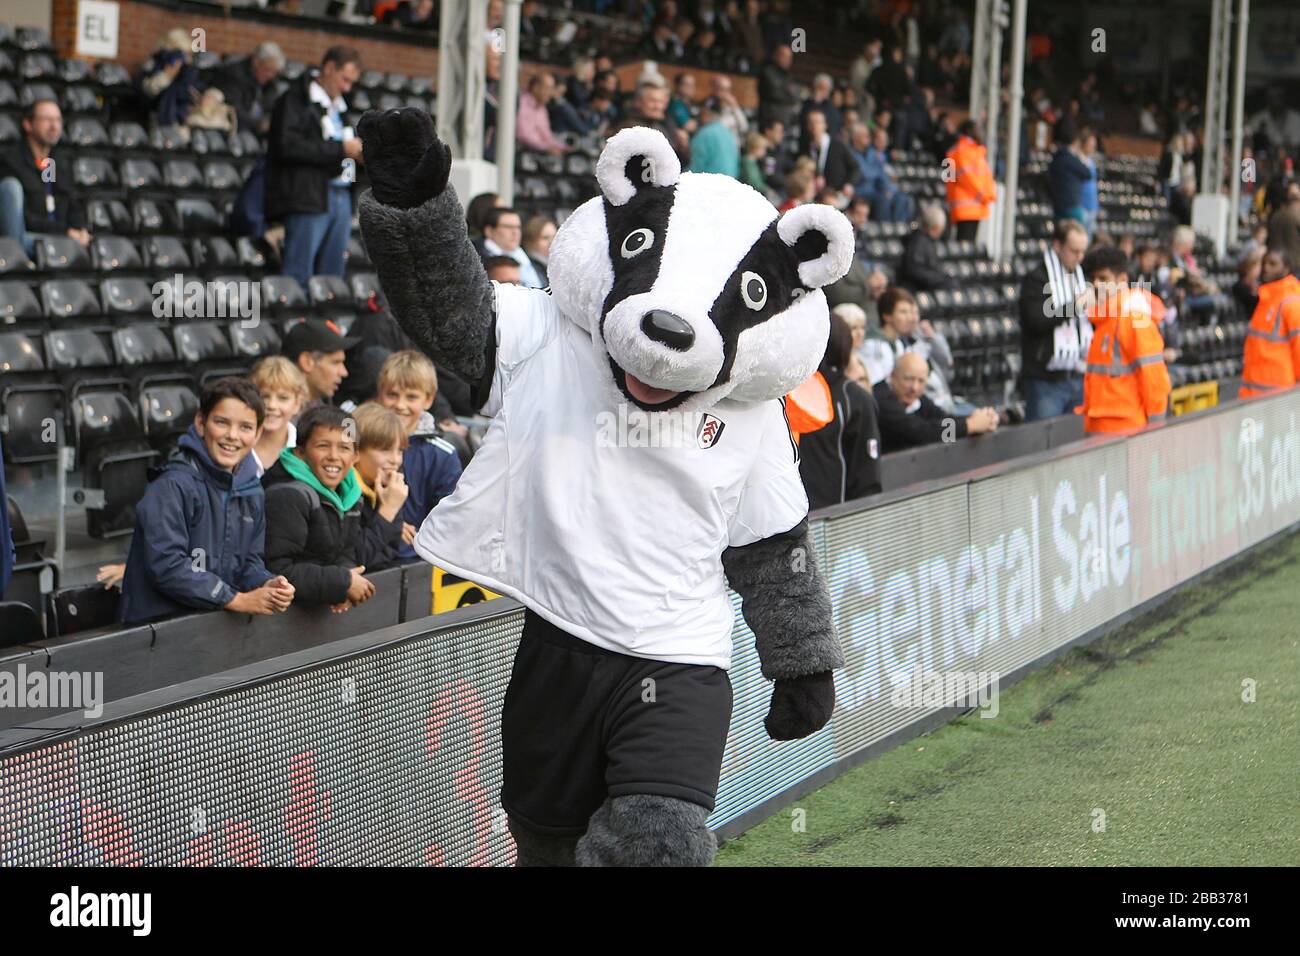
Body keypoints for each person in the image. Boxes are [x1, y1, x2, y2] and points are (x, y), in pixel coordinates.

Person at [119, 379, 295, 624]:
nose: (232, 436)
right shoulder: (172, 484)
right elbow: (168, 566)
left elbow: (248, 564)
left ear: (257, 434)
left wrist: (267, 583)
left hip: (211, 632)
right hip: (155, 634)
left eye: (245, 427)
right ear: (201, 423)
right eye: (221, 422)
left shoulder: (252, 490)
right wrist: (234, 599)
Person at [266, 46, 364, 290]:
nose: (346, 87)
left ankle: (327, 326)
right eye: (344, 79)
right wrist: (340, 149)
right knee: (299, 272)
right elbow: (288, 147)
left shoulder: (343, 106)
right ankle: (295, 324)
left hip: (341, 196)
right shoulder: (294, 100)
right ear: (329, 68)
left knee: (332, 276)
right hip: (308, 196)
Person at [263, 404, 374, 612]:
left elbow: (345, 552)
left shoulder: (352, 495)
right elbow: (276, 570)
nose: (334, 455)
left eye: (344, 448)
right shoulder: (287, 495)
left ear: (355, 456)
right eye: (323, 445)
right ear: (301, 452)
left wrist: (345, 583)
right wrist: (342, 582)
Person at [375, 351, 464, 562]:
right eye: (392, 394)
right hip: (364, 554)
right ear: (380, 393)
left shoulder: (443, 454)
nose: (400, 405)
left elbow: (448, 521)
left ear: (429, 399)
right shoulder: (356, 436)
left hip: (413, 561)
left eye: (411, 397)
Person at [1079, 245, 1171, 433]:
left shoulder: (1134, 319)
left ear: (1122, 280)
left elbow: (1154, 379)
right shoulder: (1104, 321)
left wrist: (1155, 429)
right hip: (1101, 429)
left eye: (1103, 279)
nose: (1096, 285)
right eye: (1093, 279)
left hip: (1126, 432)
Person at [798, 313, 882, 509]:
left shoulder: (852, 397)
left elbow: (867, 481)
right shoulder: (784, 393)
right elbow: (868, 479)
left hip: (826, 521)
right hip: (817, 521)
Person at [1018, 218, 1090, 421]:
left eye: (1082, 251)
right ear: (1057, 246)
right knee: (1042, 446)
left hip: (1076, 374)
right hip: (1045, 380)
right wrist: (1073, 307)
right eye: (1074, 251)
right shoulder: (1037, 278)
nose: (1079, 257)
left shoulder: (1080, 277)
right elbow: (1036, 321)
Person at [0, 99, 90, 256]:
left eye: (58, 120)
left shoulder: (57, 162)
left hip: (55, 237)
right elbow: (24, 218)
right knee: (10, 186)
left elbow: (71, 203)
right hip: (26, 237)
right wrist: (65, 233)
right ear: (28, 124)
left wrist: (80, 229)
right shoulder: (11, 161)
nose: (54, 126)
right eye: (47, 120)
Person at [874, 353, 998, 452]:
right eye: (908, 379)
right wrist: (969, 426)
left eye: (921, 381)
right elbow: (921, 434)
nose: (914, 387)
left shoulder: (917, 398)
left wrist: (981, 419)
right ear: (892, 376)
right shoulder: (881, 399)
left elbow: (943, 418)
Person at [350, 402, 414, 572]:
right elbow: (357, 558)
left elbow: (390, 551)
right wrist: (387, 511)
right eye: (385, 450)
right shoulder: (343, 491)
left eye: (399, 450)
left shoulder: (388, 487)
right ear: (355, 451)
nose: (395, 460)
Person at [1240, 248, 1300, 399]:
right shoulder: (1266, 299)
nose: (1266, 268)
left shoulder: (1291, 302)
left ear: (1286, 268)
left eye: (1273, 264)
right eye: (1264, 263)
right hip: (1254, 391)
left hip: (1279, 395)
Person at [204, 41, 284, 137]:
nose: (270, 75)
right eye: (268, 70)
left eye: (274, 72)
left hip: (258, 131)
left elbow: (272, 107)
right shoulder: (234, 74)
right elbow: (233, 109)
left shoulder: (270, 83)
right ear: (256, 62)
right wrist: (259, 124)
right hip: (235, 129)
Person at [249, 355, 309, 477]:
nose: (272, 405)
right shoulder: (236, 441)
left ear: (298, 403)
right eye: (264, 396)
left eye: (283, 398)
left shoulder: (305, 447)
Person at [282, 319, 360, 408]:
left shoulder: (319, 407)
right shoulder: (276, 416)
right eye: (335, 362)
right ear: (307, 362)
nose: (344, 372)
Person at [849, 122, 913, 223]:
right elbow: (865, 174)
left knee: (902, 197)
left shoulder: (871, 152)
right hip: (859, 191)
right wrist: (879, 177)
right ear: (855, 137)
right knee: (883, 198)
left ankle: (897, 229)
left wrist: (889, 189)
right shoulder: (850, 153)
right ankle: (884, 232)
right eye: (865, 135)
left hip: (875, 190)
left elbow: (882, 175)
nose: (868, 137)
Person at [944, 120, 995, 241]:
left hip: (970, 205)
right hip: (968, 205)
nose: (980, 132)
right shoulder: (964, 151)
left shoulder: (972, 151)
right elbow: (967, 177)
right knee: (965, 245)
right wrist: (984, 194)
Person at [473, 207, 544, 289]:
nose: (515, 232)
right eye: (508, 227)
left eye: (518, 227)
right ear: (489, 231)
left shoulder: (529, 258)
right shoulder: (475, 261)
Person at [898, 204, 956, 292]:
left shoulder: (928, 241)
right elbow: (914, 270)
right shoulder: (918, 241)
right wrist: (936, 277)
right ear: (935, 227)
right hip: (919, 286)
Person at [1047, 122, 1094, 225]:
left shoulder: (1056, 158)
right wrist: (1080, 156)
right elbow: (1087, 173)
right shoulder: (1070, 158)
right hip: (1072, 206)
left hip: (1058, 205)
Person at [803, 109, 856, 201]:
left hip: (837, 194)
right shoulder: (805, 147)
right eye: (811, 123)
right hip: (815, 195)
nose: (814, 126)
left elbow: (855, 167)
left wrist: (848, 184)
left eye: (817, 122)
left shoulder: (838, 145)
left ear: (825, 125)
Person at [517, 73, 570, 155]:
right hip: (522, 153)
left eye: (552, 89)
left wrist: (564, 147)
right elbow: (523, 136)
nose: (551, 93)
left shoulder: (542, 108)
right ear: (535, 88)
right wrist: (547, 148)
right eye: (548, 88)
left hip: (537, 153)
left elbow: (547, 135)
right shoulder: (522, 103)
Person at [688, 99, 740, 177]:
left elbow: (696, 167)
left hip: (709, 184)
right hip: (730, 182)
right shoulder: (728, 132)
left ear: (706, 113)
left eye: (702, 112)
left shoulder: (704, 134)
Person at [758, 44, 801, 130]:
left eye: (789, 57)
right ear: (775, 56)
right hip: (771, 122)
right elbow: (774, 93)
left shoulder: (790, 76)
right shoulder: (767, 72)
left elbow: (797, 96)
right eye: (784, 56)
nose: (788, 60)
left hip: (788, 122)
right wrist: (789, 95)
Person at [1266, 182, 1300, 276]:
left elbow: (1268, 240)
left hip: (1277, 266)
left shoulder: (1275, 216)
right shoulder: (1297, 215)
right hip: (1295, 266)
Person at [522, 215, 555, 286]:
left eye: (554, 237)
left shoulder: (553, 264)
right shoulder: (526, 264)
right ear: (530, 241)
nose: (551, 242)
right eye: (545, 238)